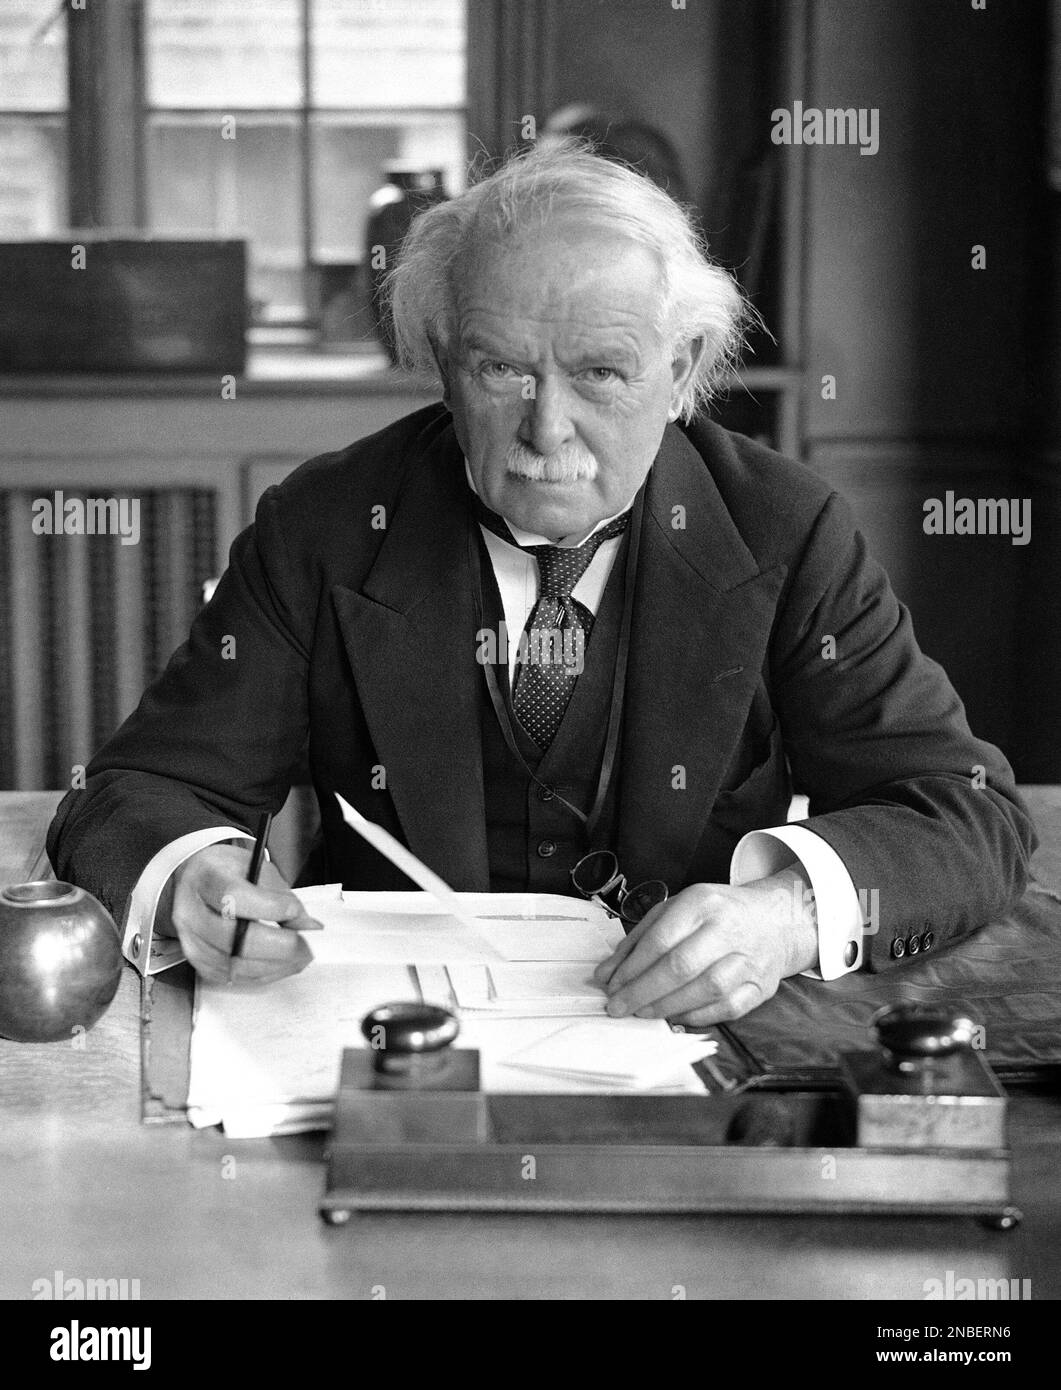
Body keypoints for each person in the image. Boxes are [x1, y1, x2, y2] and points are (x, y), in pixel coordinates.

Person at [48, 142, 1035, 1026]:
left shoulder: (785, 527)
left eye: (601, 371)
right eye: (502, 369)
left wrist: (780, 917)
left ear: (681, 366)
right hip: (379, 1038)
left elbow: (964, 812)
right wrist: (192, 880)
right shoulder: (326, 524)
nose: (546, 429)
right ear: (441, 359)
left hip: (687, 1059)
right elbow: (136, 792)